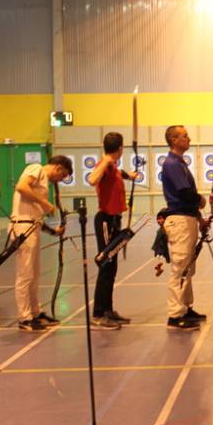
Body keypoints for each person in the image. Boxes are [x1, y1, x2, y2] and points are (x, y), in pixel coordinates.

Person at [10, 155, 73, 331]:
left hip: (32, 227)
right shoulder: (36, 169)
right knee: (25, 275)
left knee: (34, 275)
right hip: (23, 228)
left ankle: (35, 312)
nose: (60, 180)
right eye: (62, 175)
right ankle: (24, 318)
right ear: (58, 167)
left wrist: (54, 232)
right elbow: (21, 186)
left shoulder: (43, 179)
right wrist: (44, 202)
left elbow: (36, 215)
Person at [86, 132, 138, 330]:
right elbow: (92, 179)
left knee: (112, 267)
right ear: (120, 148)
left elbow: (117, 173)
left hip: (115, 221)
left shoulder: (113, 167)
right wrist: (107, 160)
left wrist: (129, 175)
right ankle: (98, 314)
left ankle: (107, 310)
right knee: (106, 265)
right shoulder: (106, 163)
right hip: (106, 221)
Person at [161, 125, 208, 331]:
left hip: (187, 218)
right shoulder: (172, 163)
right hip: (179, 221)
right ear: (173, 140)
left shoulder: (180, 163)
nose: (188, 139)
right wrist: (201, 200)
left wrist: (200, 219)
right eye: (184, 136)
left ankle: (186, 308)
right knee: (180, 268)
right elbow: (185, 194)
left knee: (188, 268)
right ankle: (175, 315)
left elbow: (187, 197)